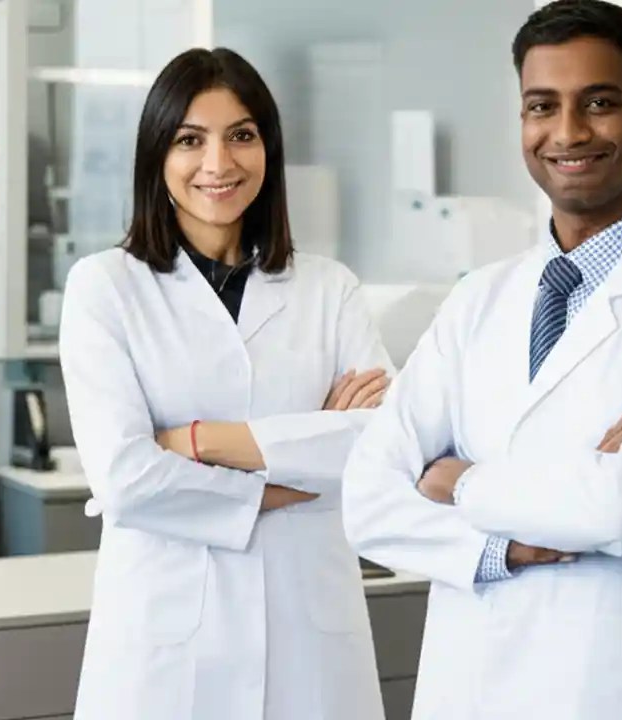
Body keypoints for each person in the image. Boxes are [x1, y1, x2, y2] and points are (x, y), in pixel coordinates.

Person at [341, 2, 622, 718]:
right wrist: (509, 542)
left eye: (599, 103)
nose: (568, 132)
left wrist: (461, 481)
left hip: (612, 690)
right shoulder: (477, 301)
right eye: (543, 106)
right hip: (467, 688)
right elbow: (368, 500)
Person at [59, 47, 393, 720]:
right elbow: (125, 478)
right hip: (168, 648)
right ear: (158, 155)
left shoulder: (330, 289)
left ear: (267, 147)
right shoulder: (105, 288)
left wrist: (195, 441)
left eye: (241, 135)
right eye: (190, 140)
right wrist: (299, 475)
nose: (219, 164)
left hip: (309, 640)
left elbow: (384, 446)